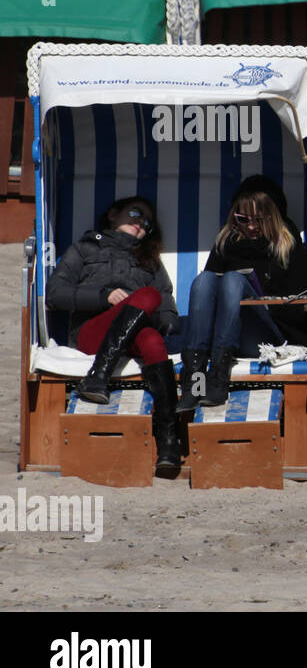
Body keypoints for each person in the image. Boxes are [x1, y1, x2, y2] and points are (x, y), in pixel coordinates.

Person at [46, 197, 182, 471]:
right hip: (91, 334)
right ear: (112, 215)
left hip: (135, 333)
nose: (140, 222)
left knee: (152, 333)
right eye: (135, 213)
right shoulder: (85, 248)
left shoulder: (150, 261)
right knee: (147, 295)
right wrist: (103, 297)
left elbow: (169, 315)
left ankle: (168, 442)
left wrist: (142, 311)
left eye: (147, 223)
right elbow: (55, 294)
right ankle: (99, 373)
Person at [174, 175, 307, 410]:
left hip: (268, 335)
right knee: (204, 280)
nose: (250, 226)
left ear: (273, 216)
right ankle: (194, 381)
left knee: (233, 279)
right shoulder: (226, 242)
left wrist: (263, 301)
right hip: (225, 335)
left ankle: (218, 377)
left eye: (258, 220)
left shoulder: (288, 246)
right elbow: (208, 296)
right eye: (242, 219)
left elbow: (299, 309)